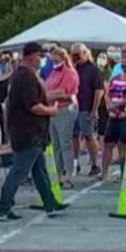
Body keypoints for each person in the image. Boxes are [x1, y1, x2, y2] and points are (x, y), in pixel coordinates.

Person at [0, 42, 64, 222]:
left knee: (40, 170)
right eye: (40, 56)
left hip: (27, 132)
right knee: (19, 171)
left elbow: (39, 97)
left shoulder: (21, 75)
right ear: (31, 56)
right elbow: (34, 106)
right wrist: (52, 111)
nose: (41, 60)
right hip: (29, 132)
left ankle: (50, 203)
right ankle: (3, 206)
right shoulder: (26, 78)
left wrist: (56, 97)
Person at [43, 46, 80, 184]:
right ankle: (57, 173)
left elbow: (63, 92)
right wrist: (49, 95)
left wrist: (49, 96)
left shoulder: (70, 73)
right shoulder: (53, 73)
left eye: (56, 60)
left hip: (66, 109)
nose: (54, 62)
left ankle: (69, 174)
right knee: (56, 144)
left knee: (65, 142)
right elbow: (47, 89)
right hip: (53, 109)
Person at [74, 45, 106, 179]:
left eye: (78, 54)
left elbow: (99, 90)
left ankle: (95, 164)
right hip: (74, 107)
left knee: (89, 135)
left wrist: (94, 109)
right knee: (73, 135)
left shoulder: (93, 70)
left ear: (85, 53)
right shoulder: (73, 69)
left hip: (86, 106)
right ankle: (75, 163)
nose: (76, 57)